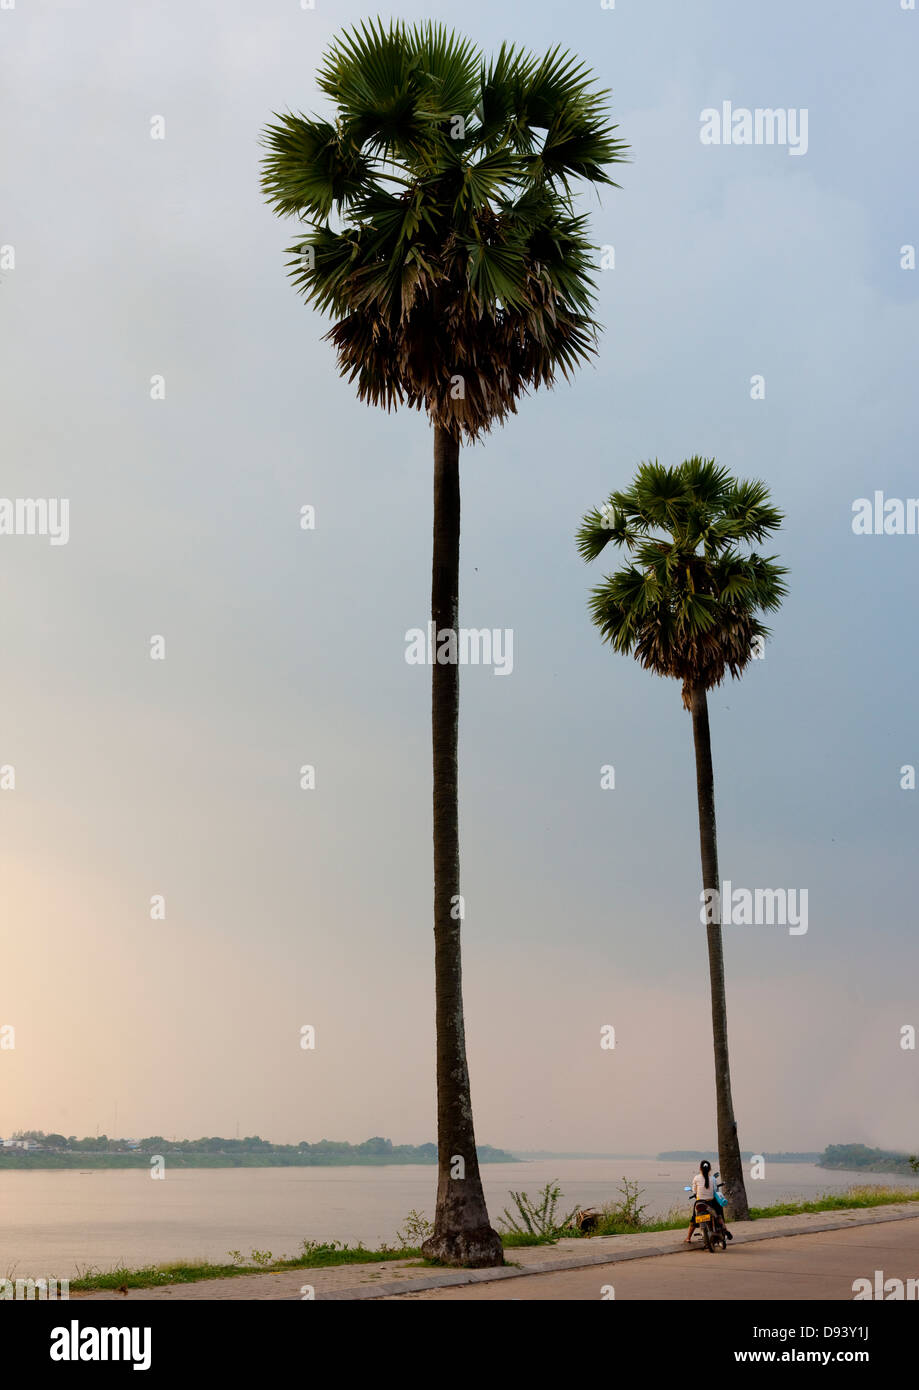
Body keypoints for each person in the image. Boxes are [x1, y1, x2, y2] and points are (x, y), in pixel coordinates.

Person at [684, 1159, 732, 1242]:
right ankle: (725, 1229)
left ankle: (688, 1238)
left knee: (694, 1219)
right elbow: (715, 1190)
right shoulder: (713, 1178)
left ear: (700, 1168)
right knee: (718, 1214)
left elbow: (694, 1191)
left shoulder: (696, 1178)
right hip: (710, 1202)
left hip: (700, 1202)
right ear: (710, 1169)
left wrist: (697, 1193)